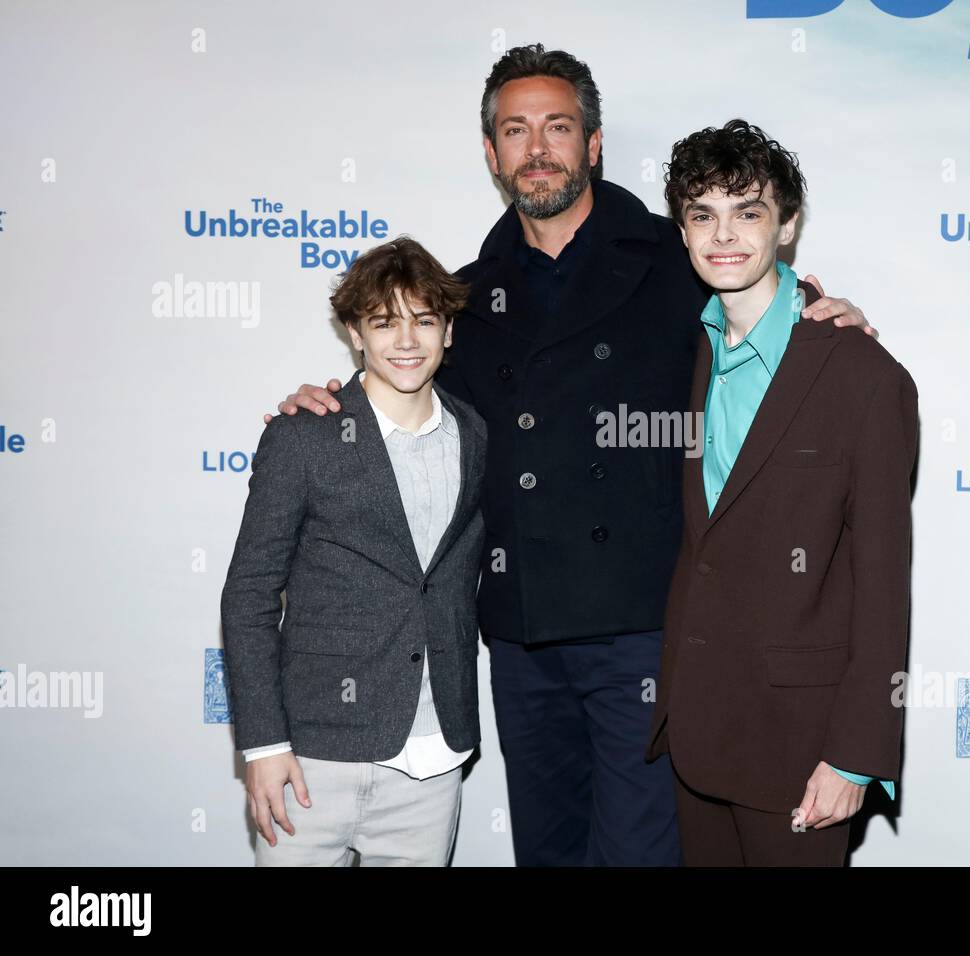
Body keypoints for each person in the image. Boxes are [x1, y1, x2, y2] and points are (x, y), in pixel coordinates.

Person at [270, 45, 875, 867]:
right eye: (516, 131)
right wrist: (326, 403)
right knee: (548, 851)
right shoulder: (465, 293)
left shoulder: (677, 255)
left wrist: (822, 311)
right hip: (522, 633)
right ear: (492, 155)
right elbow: (398, 380)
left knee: (639, 855)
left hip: (644, 627)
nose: (538, 147)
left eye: (558, 127)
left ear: (593, 144)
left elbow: (758, 295)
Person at [645, 120, 919, 866]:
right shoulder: (694, 351)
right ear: (682, 230)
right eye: (702, 215)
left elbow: (884, 583)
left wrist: (857, 755)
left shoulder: (865, 378)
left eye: (748, 211)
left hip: (802, 748)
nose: (723, 235)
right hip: (698, 734)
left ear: (788, 224)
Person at [221, 236, 487, 866]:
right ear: (354, 333)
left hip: (431, 760)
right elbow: (249, 595)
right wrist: (263, 747)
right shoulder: (303, 435)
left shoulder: (475, 434)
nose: (406, 340)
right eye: (384, 321)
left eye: (424, 320)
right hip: (309, 759)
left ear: (448, 332)